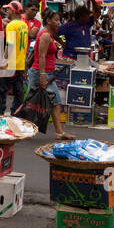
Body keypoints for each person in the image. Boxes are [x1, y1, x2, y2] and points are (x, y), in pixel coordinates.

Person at [29, 10, 70, 139]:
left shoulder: (50, 35)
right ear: (48, 21)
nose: (59, 23)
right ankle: (58, 132)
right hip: (41, 73)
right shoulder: (45, 36)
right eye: (56, 20)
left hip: (46, 73)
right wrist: (42, 76)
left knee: (38, 102)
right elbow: (41, 56)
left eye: (59, 20)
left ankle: (59, 132)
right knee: (34, 103)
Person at [0, 1, 28, 114]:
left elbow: (10, 46)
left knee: (1, 90)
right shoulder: (24, 25)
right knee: (18, 92)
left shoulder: (11, 25)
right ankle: (17, 113)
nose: (6, 12)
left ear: (13, 11)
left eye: (8, 9)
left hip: (9, 64)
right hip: (20, 63)